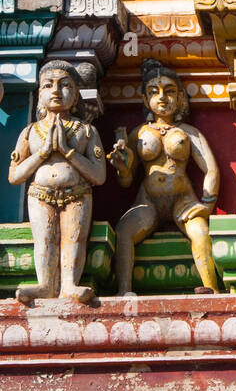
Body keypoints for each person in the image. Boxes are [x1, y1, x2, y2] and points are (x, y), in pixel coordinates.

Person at [109, 61, 220, 294]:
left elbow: (210, 169)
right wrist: (122, 167)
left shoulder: (188, 132)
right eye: (153, 92)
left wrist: (207, 205)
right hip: (147, 201)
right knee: (124, 232)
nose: (162, 98)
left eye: (169, 91)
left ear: (180, 97)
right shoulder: (138, 133)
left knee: (200, 232)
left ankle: (211, 289)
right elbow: (126, 181)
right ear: (144, 99)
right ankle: (123, 291)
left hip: (183, 200)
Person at [8, 63, 106, 304]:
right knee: (44, 239)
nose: (55, 90)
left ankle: (70, 284)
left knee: (74, 238)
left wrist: (67, 152)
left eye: (65, 85)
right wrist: (42, 153)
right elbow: (15, 175)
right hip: (40, 194)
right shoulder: (30, 131)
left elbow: (99, 176)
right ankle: (46, 285)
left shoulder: (86, 130)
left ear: (75, 98)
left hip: (78, 193)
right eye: (48, 85)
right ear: (39, 95)